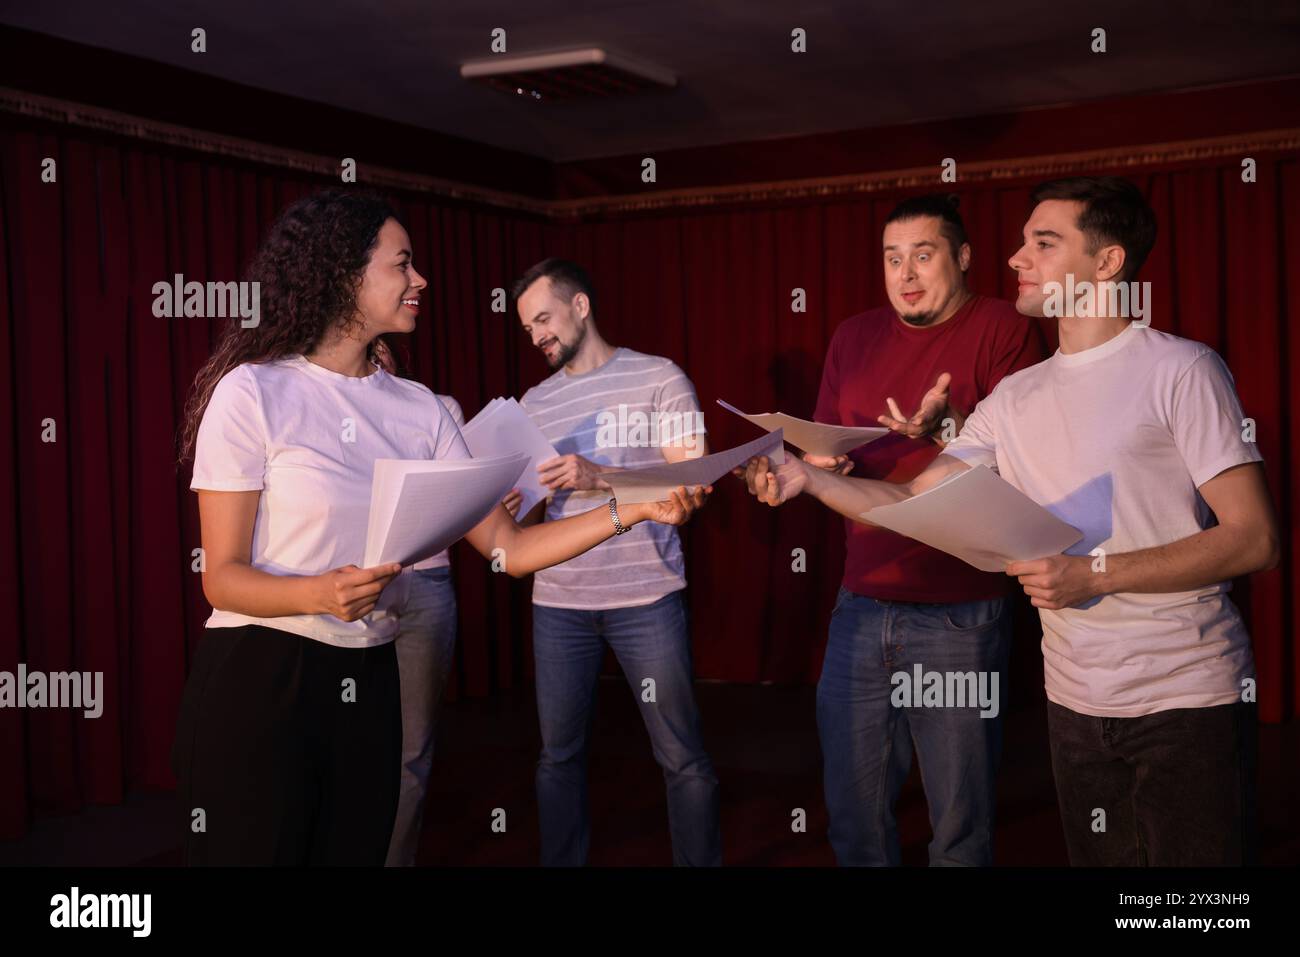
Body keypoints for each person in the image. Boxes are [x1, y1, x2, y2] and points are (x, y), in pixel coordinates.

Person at [740, 176, 1278, 867]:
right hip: (1074, 699)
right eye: (1023, 242)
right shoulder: (1015, 397)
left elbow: (1255, 538)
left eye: (1043, 243)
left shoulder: (1182, 368)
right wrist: (806, 478)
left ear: (1107, 263)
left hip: (1186, 695)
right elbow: (912, 506)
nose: (1017, 257)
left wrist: (1092, 574)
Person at [173, 191, 710, 866]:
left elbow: (510, 550)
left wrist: (631, 509)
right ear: (345, 274)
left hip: (369, 678)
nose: (421, 279)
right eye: (403, 264)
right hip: (263, 678)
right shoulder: (253, 392)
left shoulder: (421, 409)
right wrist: (318, 594)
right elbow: (220, 578)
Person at [802, 193, 1043, 866]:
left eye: (924, 254)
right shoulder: (852, 335)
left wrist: (947, 425)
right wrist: (811, 464)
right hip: (861, 599)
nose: (906, 273)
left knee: (960, 824)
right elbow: (826, 452)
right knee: (852, 815)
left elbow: (1020, 460)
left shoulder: (1003, 326)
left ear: (963, 258)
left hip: (960, 608)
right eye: (892, 258)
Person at [511, 257, 721, 866]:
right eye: (527, 329)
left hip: (646, 599)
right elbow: (526, 520)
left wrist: (599, 475)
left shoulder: (660, 377)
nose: (537, 336)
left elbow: (693, 482)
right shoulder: (532, 402)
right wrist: (510, 501)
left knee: (681, 756)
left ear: (581, 306)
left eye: (544, 319)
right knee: (557, 757)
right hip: (559, 605)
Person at [368, 336, 465, 867]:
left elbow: (463, 507)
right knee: (350, 743)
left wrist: (488, 502)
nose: (375, 356)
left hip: (426, 585)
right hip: (359, 588)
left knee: (410, 749)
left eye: (383, 349)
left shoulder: (436, 408)